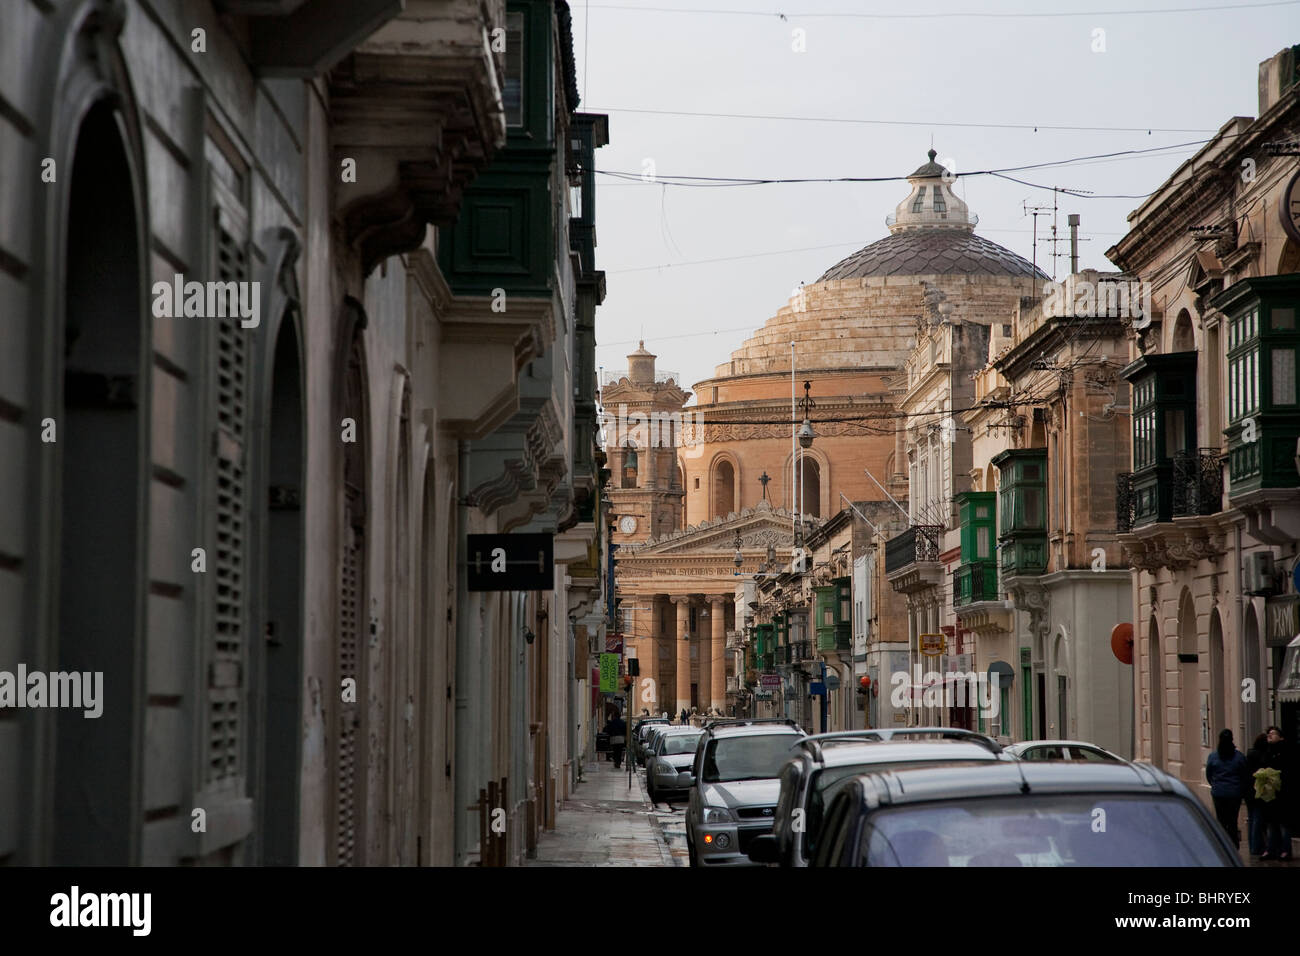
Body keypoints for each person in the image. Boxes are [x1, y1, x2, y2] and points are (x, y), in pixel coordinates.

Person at [1205, 729, 1249, 846]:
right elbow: (1244, 774)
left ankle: (1223, 844)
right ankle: (1234, 844)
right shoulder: (1239, 757)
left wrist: (1215, 784)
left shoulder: (1213, 756)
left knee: (1221, 820)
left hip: (1219, 792)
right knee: (1233, 820)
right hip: (1234, 793)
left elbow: (1209, 774)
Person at [1260, 725, 1296, 861]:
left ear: (1281, 737)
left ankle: (1285, 850)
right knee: (1271, 823)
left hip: (1284, 793)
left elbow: (1289, 771)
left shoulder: (1286, 752)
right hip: (1270, 794)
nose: (1270, 735)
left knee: (1283, 823)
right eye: (1268, 733)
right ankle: (1271, 849)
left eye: (1273, 733)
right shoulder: (1266, 751)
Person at [1245, 732, 1269, 856]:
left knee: (1251, 818)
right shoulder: (1263, 756)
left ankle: (1252, 846)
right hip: (1259, 791)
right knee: (1257, 819)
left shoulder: (1249, 754)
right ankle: (1256, 847)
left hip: (1248, 791)